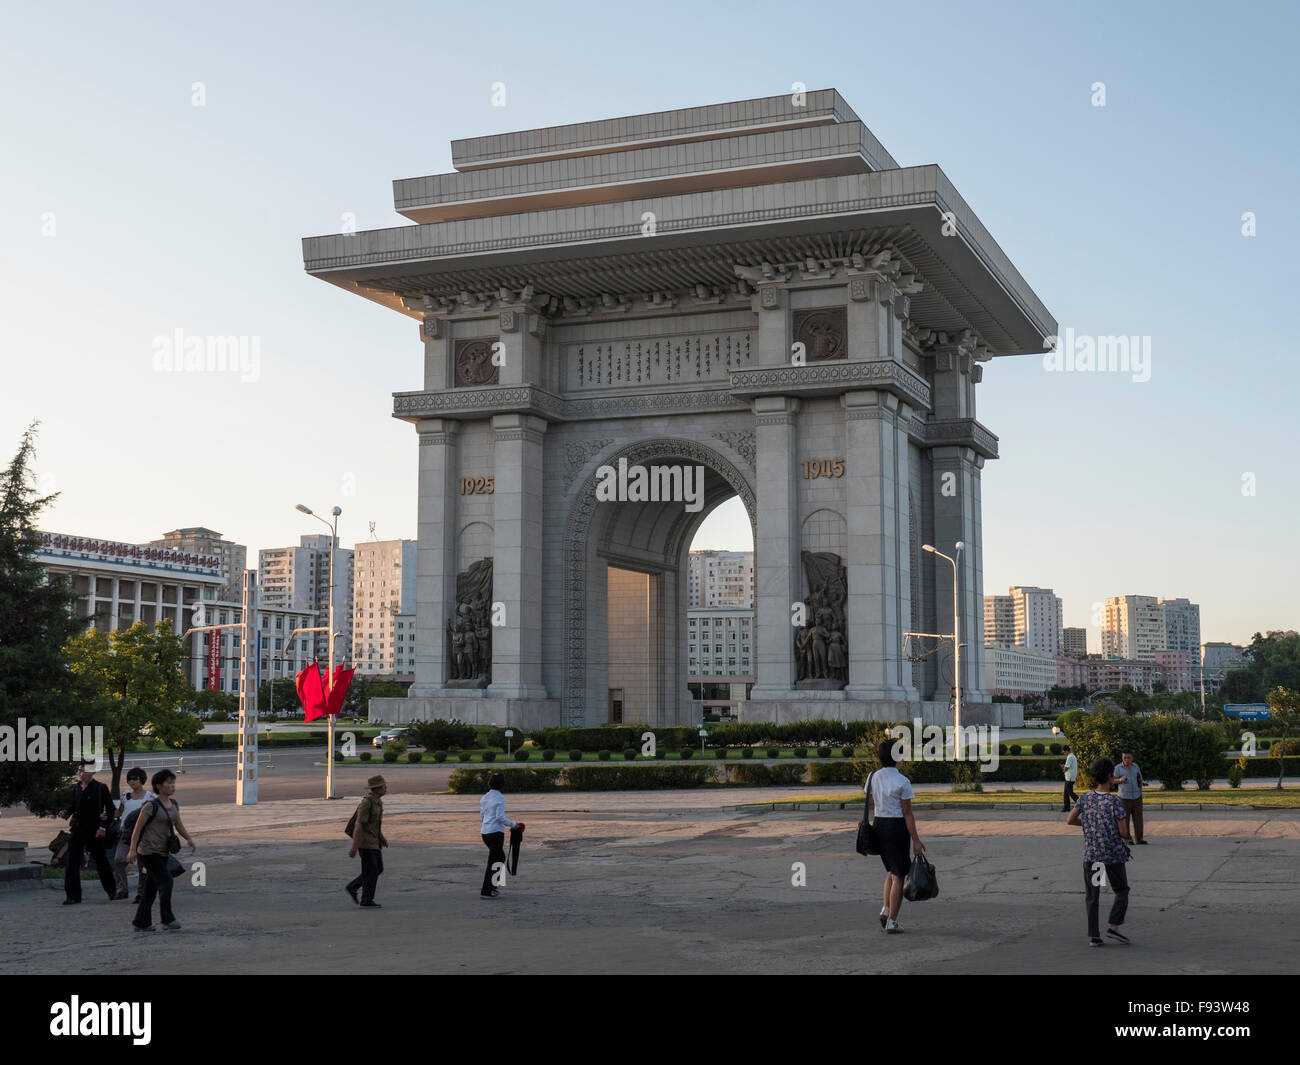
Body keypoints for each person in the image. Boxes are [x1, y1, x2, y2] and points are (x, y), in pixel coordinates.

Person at [1067, 756, 1131, 946]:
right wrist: (1124, 837)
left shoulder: (1085, 798)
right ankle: (1114, 925)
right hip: (1112, 857)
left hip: (1092, 856)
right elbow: (1123, 832)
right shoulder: (1114, 803)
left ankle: (1094, 936)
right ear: (1111, 777)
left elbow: (1070, 820)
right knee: (1121, 890)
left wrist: (1089, 825)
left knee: (1093, 896)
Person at [865, 739, 925, 934]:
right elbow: (908, 813)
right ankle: (892, 921)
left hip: (879, 825)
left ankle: (885, 908)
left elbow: (872, 800)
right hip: (896, 827)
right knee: (899, 875)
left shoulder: (872, 776)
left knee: (892, 870)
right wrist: (916, 840)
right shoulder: (902, 781)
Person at [127, 769, 195, 932]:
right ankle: (167, 919)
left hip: (163, 851)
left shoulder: (173, 805)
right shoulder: (151, 806)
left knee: (150, 889)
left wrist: (189, 838)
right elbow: (137, 829)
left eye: (173, 782)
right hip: (148, 852)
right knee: (166, 881)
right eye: (169, 783)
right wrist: (132, 850)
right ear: (159, 786)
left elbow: (178, 824)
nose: (172, 786)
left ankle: (141, 922)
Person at [57, 761, 116, 905]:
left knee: (101, 861)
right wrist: (66, 812)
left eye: (85, 771)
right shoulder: (77, 788)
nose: (81, 774)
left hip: (94, 831)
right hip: (77, 829)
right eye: (80, 771)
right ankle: (72, 896)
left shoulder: (100, 788)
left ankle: (111, 890)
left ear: (93, 772)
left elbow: (110, 810)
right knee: (71, 862)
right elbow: (73, 805)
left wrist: (103, 827)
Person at [112, 768, 155, 901]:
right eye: (129, 779)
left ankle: (141, 893)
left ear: (141, 779)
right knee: (119, 860)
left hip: (144, 835)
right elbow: (119, 812)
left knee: (143, 865)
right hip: (126, 833)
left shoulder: (150, 797)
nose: (132, 782)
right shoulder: (125, 795)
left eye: (135, 779)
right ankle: (122, 889)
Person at [346, 775, 388, 907]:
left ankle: (353, 887)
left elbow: (374, 824)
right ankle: (366, 900)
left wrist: (381, 838)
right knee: (371, 870)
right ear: (376, 789)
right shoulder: (366, 803)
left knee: (377, 869)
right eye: (383, 787)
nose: (386, 788)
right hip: (365, 842)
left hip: (374, 841)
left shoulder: (378, 802)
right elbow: (359, 825)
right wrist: (354, 847)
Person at [479, 773, 523, 899]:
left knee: (500, 857)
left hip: (485, 832)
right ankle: (487, 891)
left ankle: (494, 886)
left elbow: (482, 817)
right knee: (493, 860)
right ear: (502, 784)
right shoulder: (500, 798)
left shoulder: (484, 797)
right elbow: (499, 817)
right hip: (496, 833)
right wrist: (514, 824)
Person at [1113, 750, 1146, 844]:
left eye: (1129, 758)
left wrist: (1141, 794)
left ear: (1132, 758)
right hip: (1123, 798)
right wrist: (1120, 780)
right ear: (1122, 758)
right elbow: (1112, 780)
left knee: (1138, 819)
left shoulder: (1136, 767)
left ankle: (1139, 839)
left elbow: (1140, 780)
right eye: (1125, 758)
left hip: (1136, 797)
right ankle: (1127, 839)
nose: (1127, 760)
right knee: (1125, 819)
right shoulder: (1118, 768)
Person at [1061, 745, 1079, 812]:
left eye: (1064, 752)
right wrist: (1065, 767)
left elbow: (1066, 768)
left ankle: (1081, 804)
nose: (1064, 753)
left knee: (1070, 793)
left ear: (1067, 751)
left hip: (1070, 778)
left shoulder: (1070, 757)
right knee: (1066, 793)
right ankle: (1066, 808)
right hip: (1069, 777)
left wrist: (1063, 768)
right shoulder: (1072, 756)